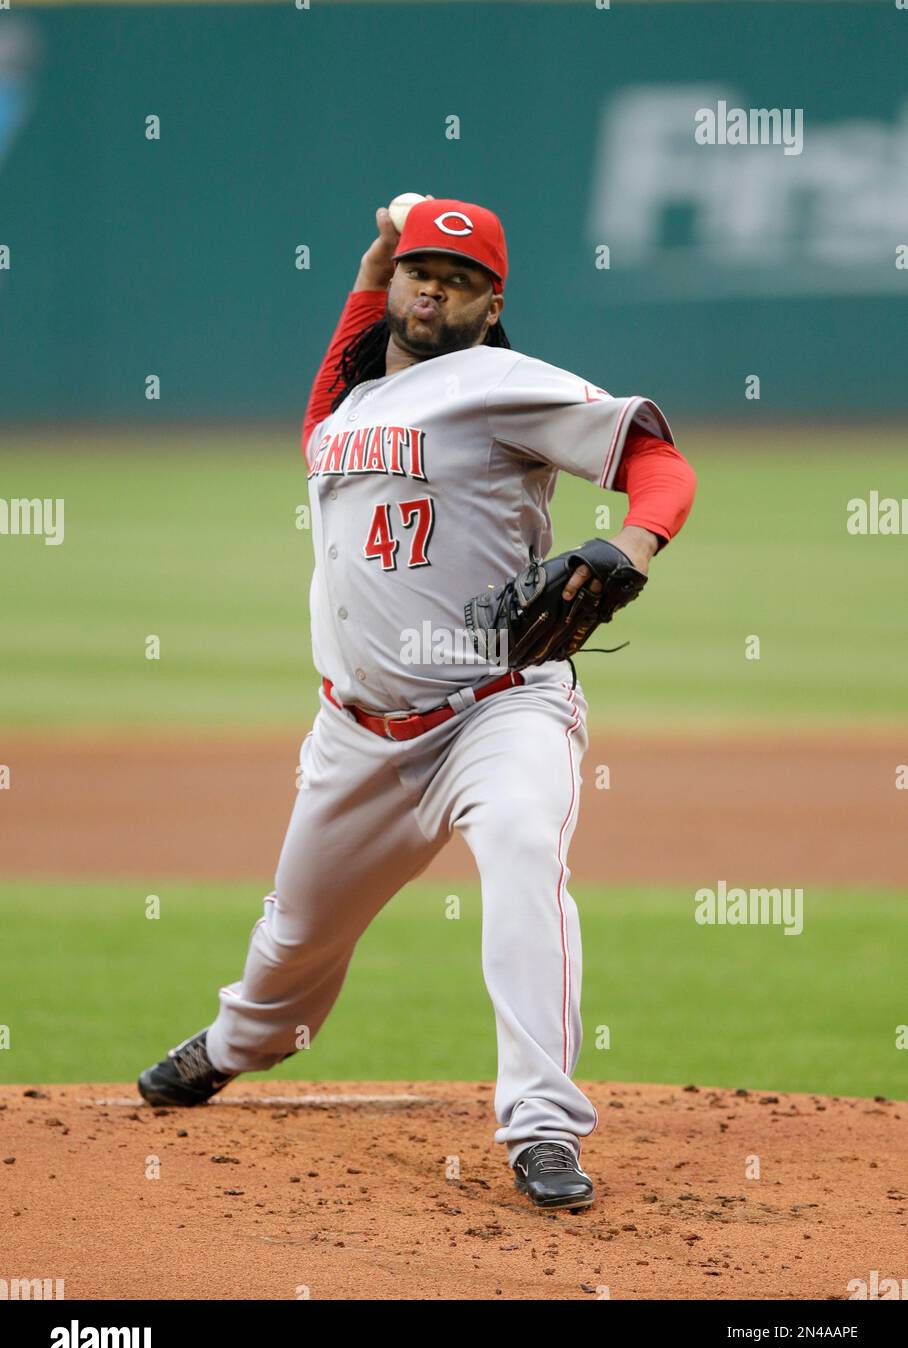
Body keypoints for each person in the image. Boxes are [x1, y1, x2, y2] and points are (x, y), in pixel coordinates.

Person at [138, 197, 697, 1212]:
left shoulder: (507, 385)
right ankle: (235, 1043)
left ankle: (539, 1125)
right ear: (394, 281)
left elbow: (657, 461)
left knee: (524, 850)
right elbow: (319, 419)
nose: (431, 288)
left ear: (491, 305)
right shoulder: (344, 418)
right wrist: (367, 266)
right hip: (356, 734)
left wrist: (634, 542)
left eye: (459, 278)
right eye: (418, 271)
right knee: (294, 941)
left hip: (497, 709)